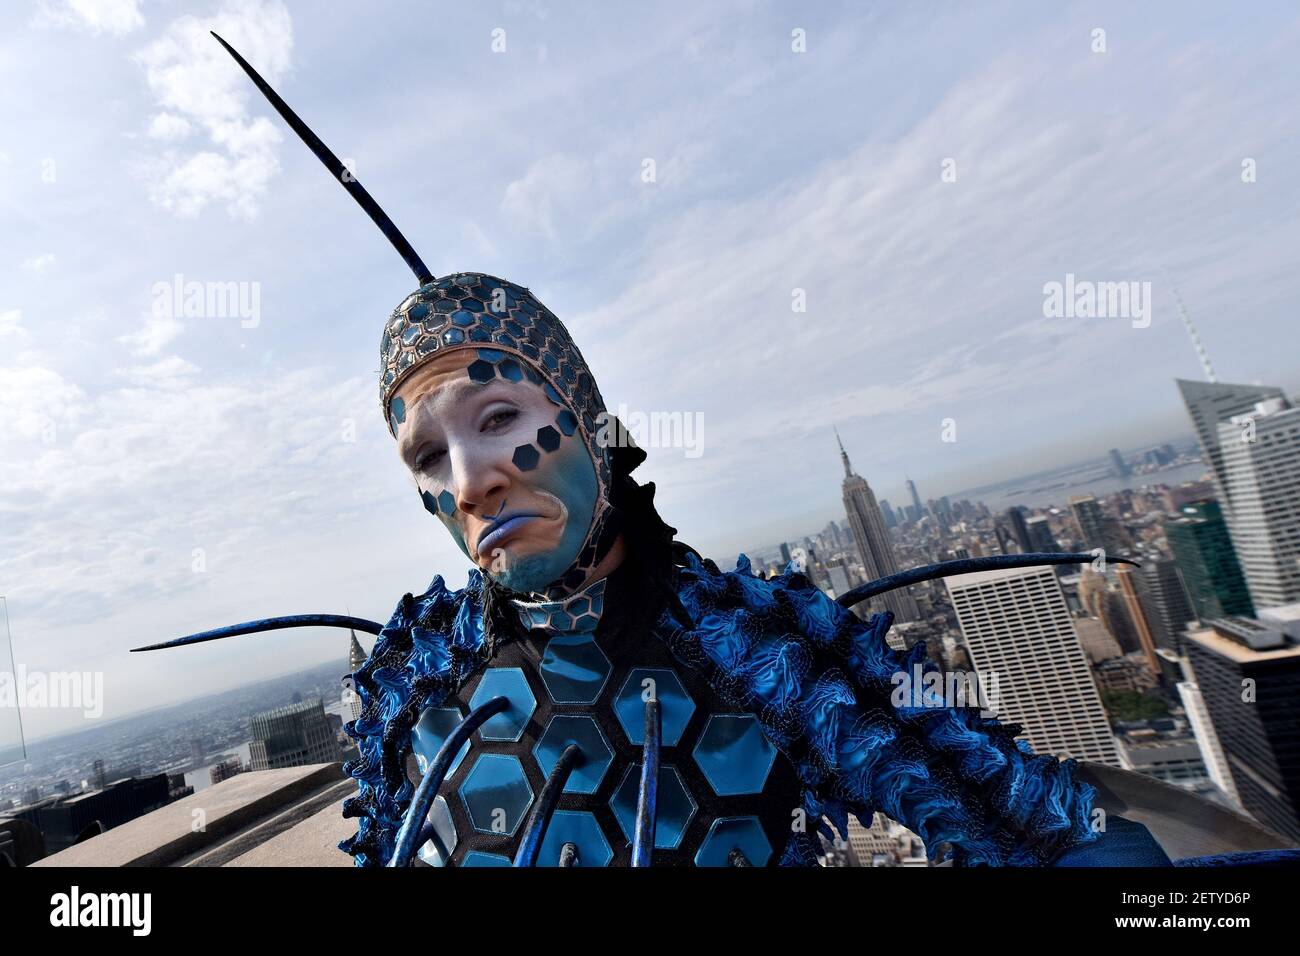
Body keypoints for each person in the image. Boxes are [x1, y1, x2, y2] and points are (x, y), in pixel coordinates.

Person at [139, 34, 1211, 869]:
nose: (472, 480)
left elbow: (1050, 829)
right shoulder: (408, 681)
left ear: (593, 431)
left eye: (503, 418)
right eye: (427, 458)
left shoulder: (760, 650)